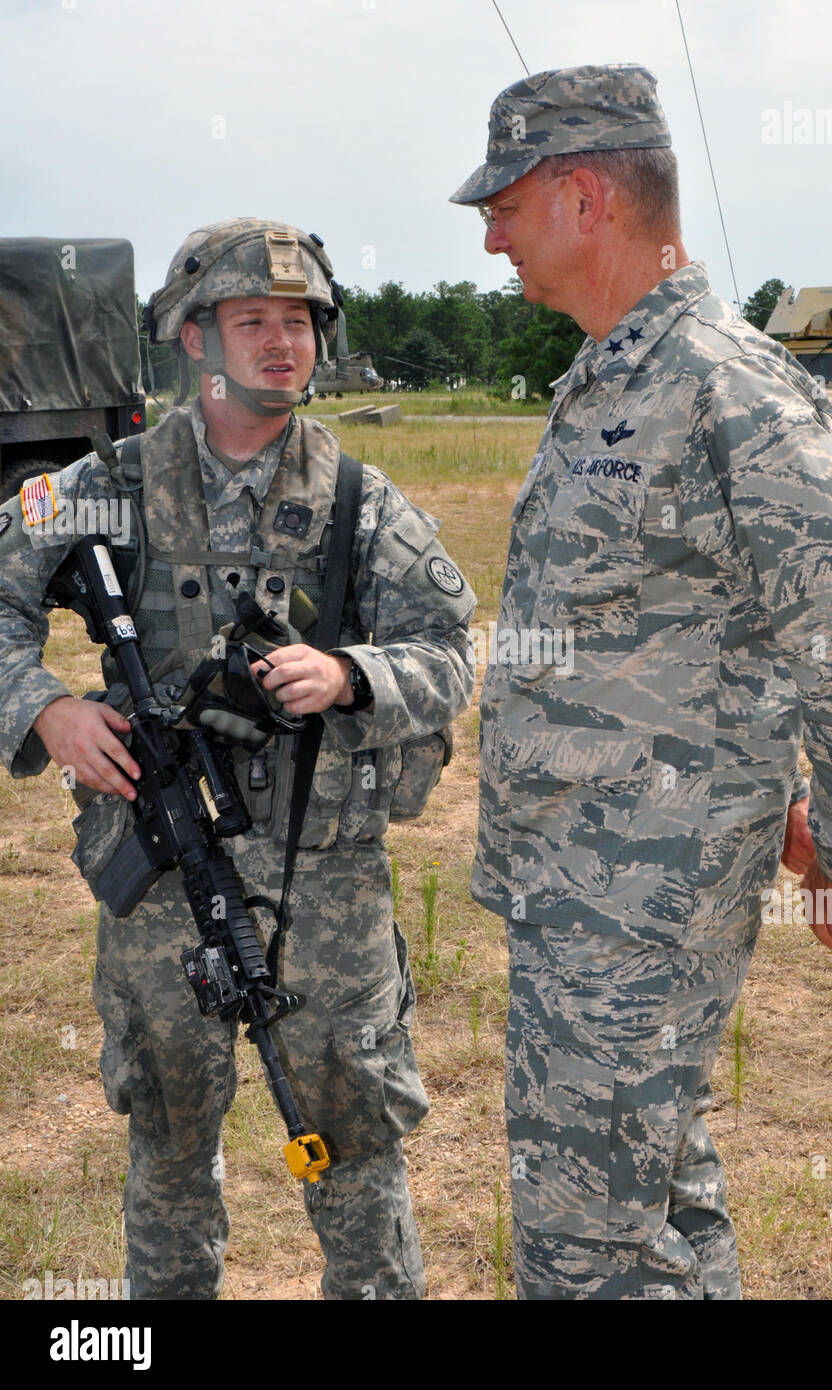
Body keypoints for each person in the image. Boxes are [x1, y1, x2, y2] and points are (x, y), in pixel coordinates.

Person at [450, 65, 832, 1299]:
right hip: (586, 892)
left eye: (504, 205)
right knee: (659, 1210)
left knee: (591, 1254)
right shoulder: (615, 377)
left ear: (581, 197)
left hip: (639, 914)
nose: (488, 235)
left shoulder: (717, 383)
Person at [0, 219, 475, 1299]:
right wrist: (46, 711)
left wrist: (352, 674)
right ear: (193, 338)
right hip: (163, 870)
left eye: (299, 322)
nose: (281, 343)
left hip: (328, 880)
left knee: (355, 1148)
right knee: (168, 1148)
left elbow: (452, 651)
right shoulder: (97, 487)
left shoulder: (360, 504)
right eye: (252, 320)